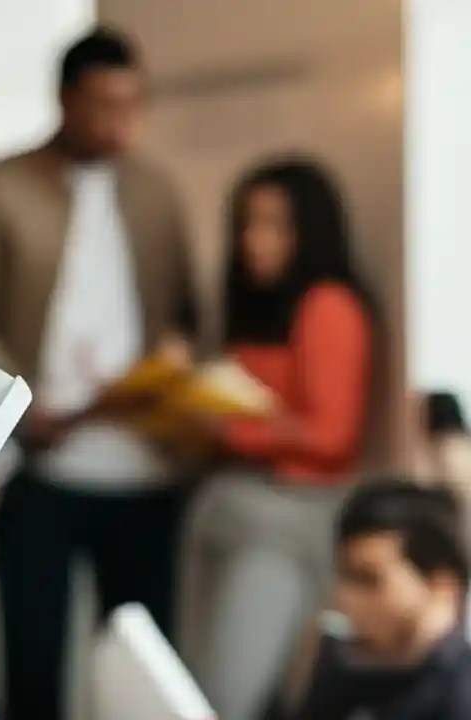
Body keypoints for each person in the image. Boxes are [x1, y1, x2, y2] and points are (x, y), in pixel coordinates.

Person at [0, 27, 198, 720]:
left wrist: (177, 363)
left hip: (144, 467)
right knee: (34, 664)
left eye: (132, 104)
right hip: (38, 464)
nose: (120, 122)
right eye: (104, 104)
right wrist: (22, 404)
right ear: (66, 99)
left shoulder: (156, 192)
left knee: (144, 667)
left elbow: (188, 314)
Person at [183, 158, 375, 720]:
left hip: (282, 523)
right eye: (247, 224)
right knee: (194, 681)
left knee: (227, 691)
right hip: (230, 511)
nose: (254, 242)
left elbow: (333, 434)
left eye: (274, 226)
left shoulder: (329, 305)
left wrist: (230, 429)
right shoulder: (257, 307)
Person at [288, 480, 471, 719]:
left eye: (368, 579)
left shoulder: (460, 696)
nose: (345, 599)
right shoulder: (345, 671)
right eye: (344, 578)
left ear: (440, 584)